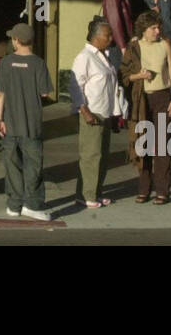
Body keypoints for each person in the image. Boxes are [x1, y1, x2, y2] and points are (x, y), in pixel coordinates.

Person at [0, 22, 53, 220]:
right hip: (32, 125)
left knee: (12, 166)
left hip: (10, 124)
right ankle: (33, 204)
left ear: (16, 41)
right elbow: (45, 92)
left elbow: (0, 93)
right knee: (33, 166)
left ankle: (14, 205)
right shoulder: (39, 63)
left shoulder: (5, 62)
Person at [122, 12, 171, 205]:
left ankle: (163, 190)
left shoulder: (164, 45)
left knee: (162, 145)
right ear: (144, 30)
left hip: (162, 96)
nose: (157, 31)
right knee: (143, 144)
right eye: (153, 28)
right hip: (141, 99)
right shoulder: (134, 47)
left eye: (158, 27)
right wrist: (139, 75)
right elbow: (124, 75)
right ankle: (144, 188)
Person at [69, 19, 119, 208]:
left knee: (102, 156)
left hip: (105, 112)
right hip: (92, 112)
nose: (111, 38)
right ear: (96, 37)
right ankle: (85, 195)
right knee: (91, 155)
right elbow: (75, 85)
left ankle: (96, 192)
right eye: (107, 35)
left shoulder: (103, 55)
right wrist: (84, 110)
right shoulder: (85, 57)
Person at [100, 0, 133, 65]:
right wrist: (123, 46)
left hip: (121, 43)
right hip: (116, 45)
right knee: (119, 76)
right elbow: (115, 23)